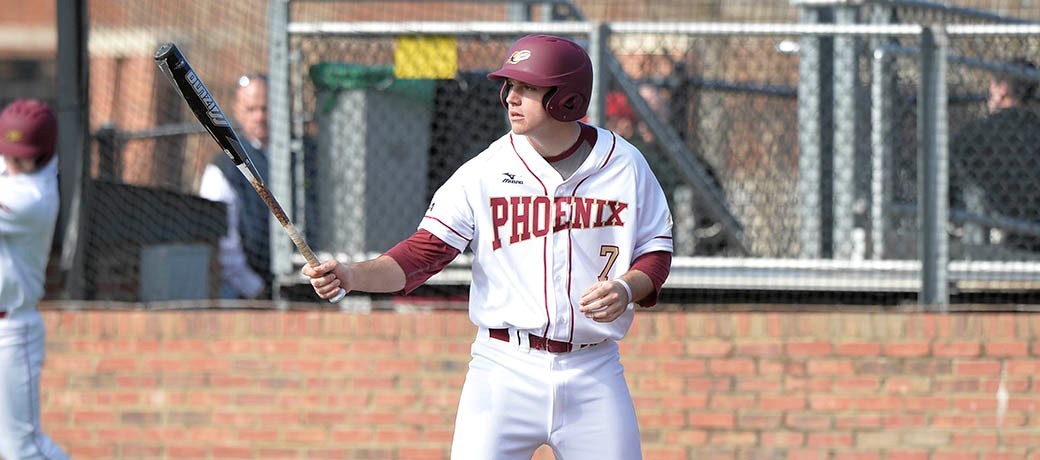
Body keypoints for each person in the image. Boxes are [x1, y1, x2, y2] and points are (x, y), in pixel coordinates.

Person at [304, 35, 673, 459]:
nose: (511, 98)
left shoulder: (624, 163)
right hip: (503, 369)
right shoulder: (485, 171)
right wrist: (353, 275)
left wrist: (628, 288)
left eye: (527, 88)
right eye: (509, 86)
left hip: (594, 369)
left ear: (566, 99)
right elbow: (422, 255)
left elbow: (656, 252)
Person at [0, 99, 70, 459]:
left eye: (21, 157)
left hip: (11, 332)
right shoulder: (10, 169)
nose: (13, 164)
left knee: (22, 452)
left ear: (42, 154)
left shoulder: (31, 197)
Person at [950, 57, 1040, 254]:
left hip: (991, 238)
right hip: (1033, 238)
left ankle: (977, 251)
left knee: (969, 187)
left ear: (1002, 89)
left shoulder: (974, 135)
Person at [199, 73, 273, 299]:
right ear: (237, 110)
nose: (260, 117)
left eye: (266, 108)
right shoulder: (223, 167)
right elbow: (222, 243)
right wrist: (254, 287)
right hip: (244, 289)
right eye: (251, 109)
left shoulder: (303, 155)